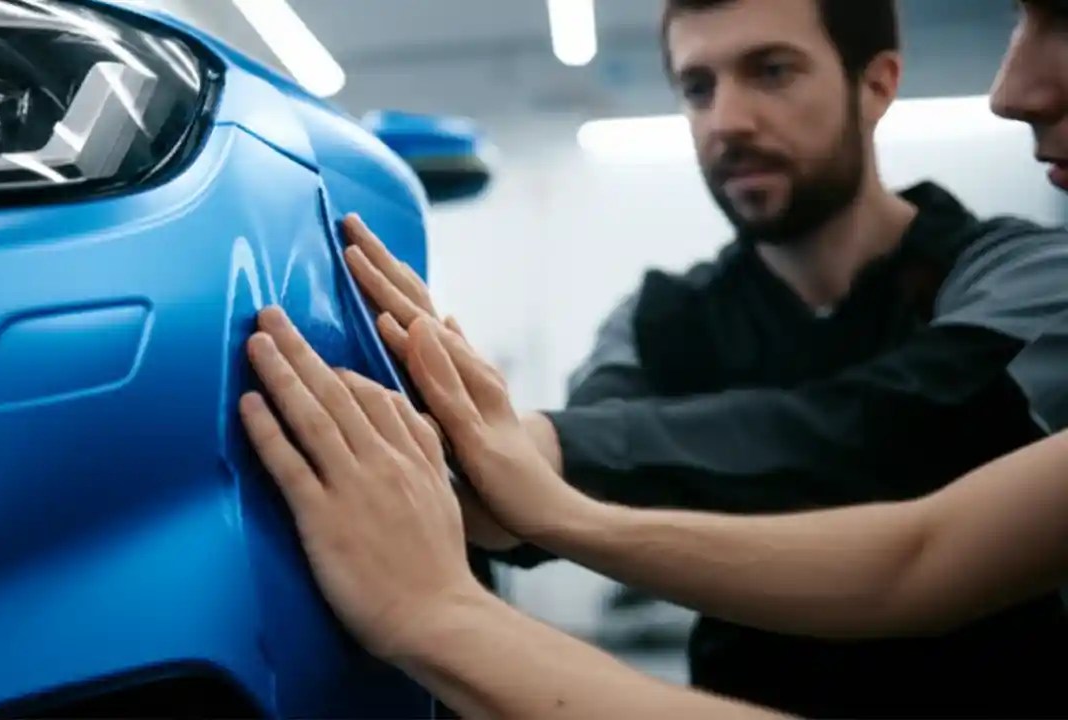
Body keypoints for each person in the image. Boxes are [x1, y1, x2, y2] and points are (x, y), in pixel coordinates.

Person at [235, 0, 1068, 718]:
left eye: (771, 72)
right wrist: (465, 458)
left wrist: (535, 460)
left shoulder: (1020, 272)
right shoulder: (656, 317)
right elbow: (565, 468)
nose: (727, 120)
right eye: (697, 88)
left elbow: (909, 425)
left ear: (877, 83)